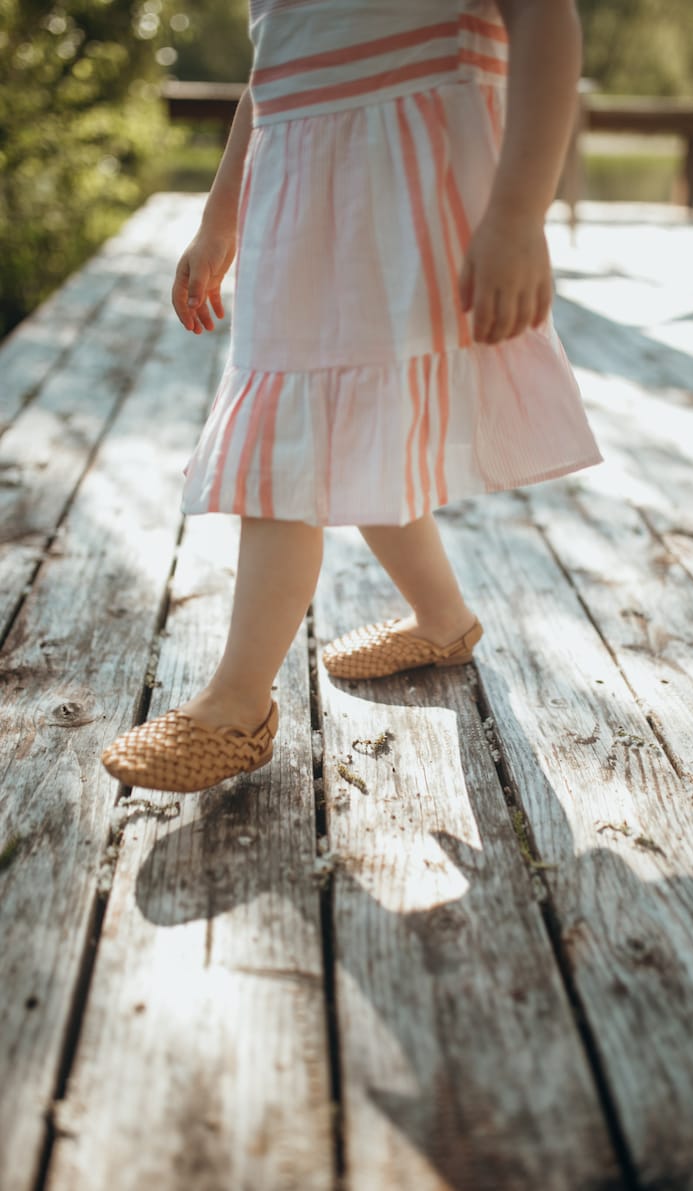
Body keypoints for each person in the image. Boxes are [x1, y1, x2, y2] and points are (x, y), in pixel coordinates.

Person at [101, 0, 603, 793]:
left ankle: (236, 700)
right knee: (349, 429)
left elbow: (544, 20)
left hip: (411, 205)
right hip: (295, 207)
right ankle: (442, 620)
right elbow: (271, 73)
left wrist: (517, 214)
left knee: (312, 433)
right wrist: (219, 219)